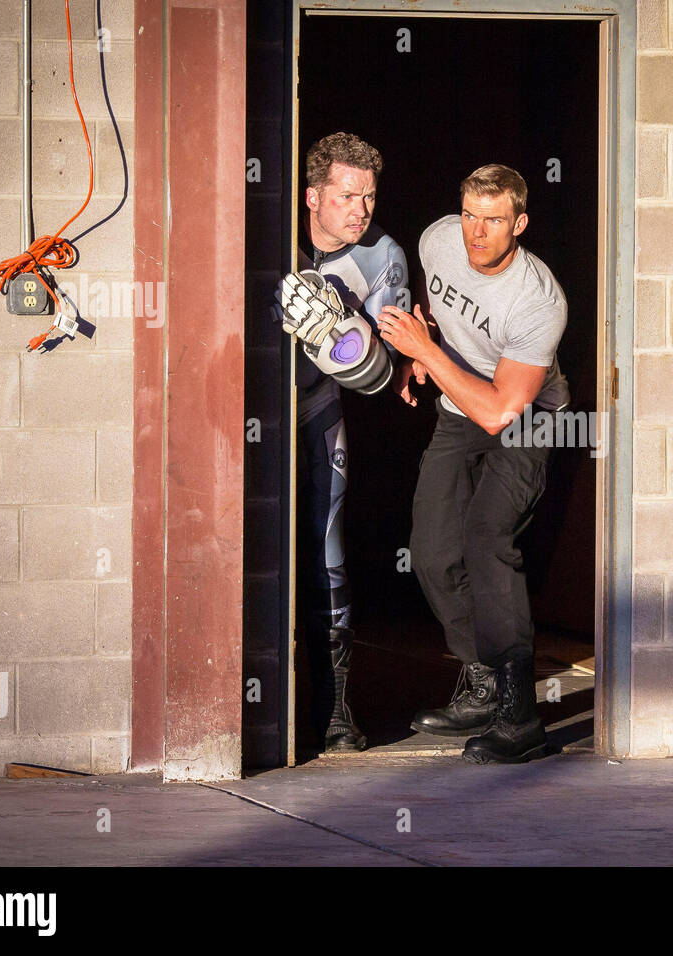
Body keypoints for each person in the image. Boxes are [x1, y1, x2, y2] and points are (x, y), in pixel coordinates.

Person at [378, 164, 568, 764]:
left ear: (519, 224)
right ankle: (484, 682)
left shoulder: (538, 300)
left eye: (492, 220)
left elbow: (497, 414)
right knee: (432, 551)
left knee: (488, 538)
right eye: (468, 215)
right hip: (460, 405)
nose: (476, 232)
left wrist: (425, 352)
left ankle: (520, 717)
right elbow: (434, 298)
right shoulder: (438, 239)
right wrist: (427, 345)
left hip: (524, 415)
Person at [279, 132, 408, 753]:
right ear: (313, 197)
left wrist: (339, 333)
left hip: (318, 407)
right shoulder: (265, 228)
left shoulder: (384, 257)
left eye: (369, 197)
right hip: (249, 411)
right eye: (347, 196)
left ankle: (333, 711)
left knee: (326, 550)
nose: (361, 210)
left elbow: (380, 376)